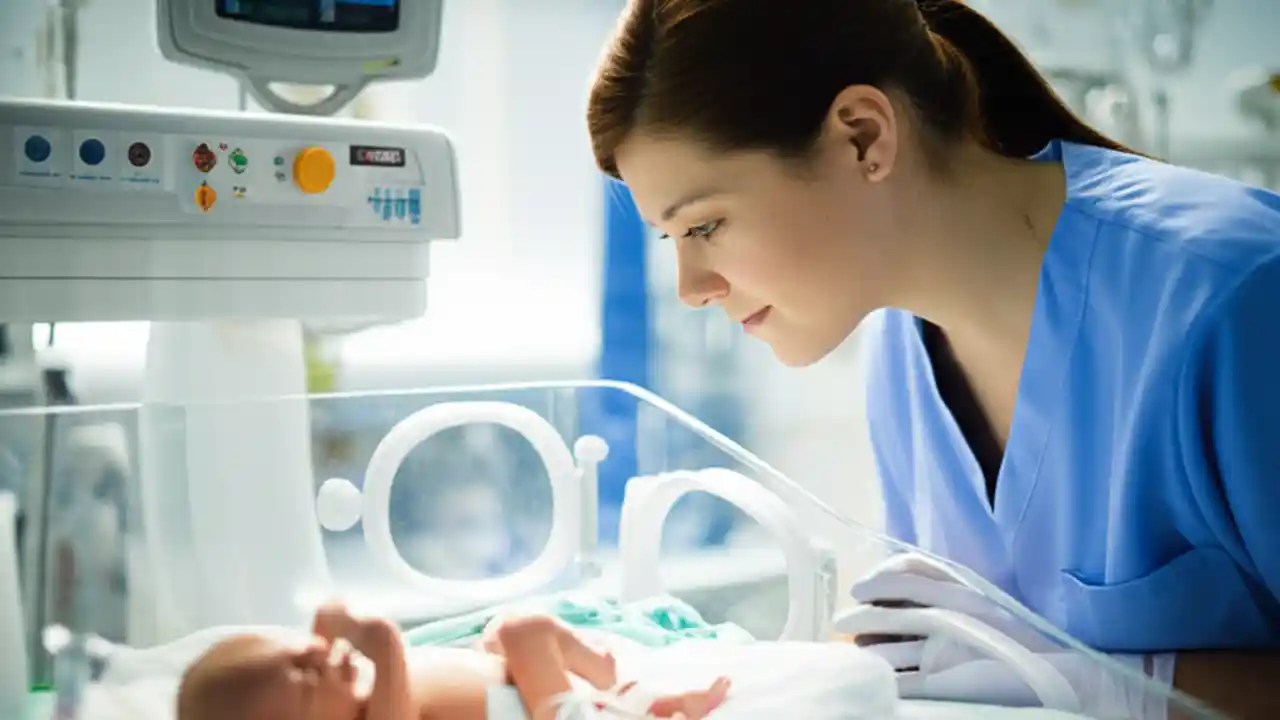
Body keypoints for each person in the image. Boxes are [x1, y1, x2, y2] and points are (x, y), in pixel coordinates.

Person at [585, 0, 1280, 717]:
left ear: (863, 137)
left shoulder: (1235, 297)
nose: (692, 290)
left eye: (705, 224)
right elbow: (944, 656)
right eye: (673, 240)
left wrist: (1127, 690)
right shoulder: (903, 347)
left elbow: (1025, 669)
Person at [175, 602, 730, 720]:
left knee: (509, 632)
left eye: (300, 656)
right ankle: (632, 698)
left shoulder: (362, 694)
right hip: (550, 716)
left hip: (525, 691)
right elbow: (393, 655)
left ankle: (619, 683)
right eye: (302, 684)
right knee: (521, 632)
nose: (318, 664)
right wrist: (376, 636)